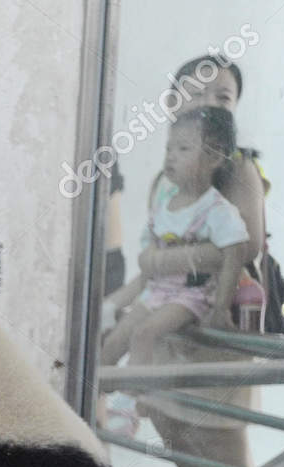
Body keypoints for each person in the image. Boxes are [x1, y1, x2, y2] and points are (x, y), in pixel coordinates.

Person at [128, 56, 272, 467]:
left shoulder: (241, 169)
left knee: (230, 466)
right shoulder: (165, 177)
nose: (210, 103)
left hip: (214, 327)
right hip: (170, 328)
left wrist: (163, 261)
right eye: (197, 93)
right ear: (173, 104)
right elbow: (153, 245)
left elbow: (246, 242)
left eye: (222, 98)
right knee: (183, 455)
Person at [101, 107, 248, 368]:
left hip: (191, 296)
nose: (171, 157)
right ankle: (95, 389)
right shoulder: (165, 203)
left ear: (214, 158)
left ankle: (133, 396)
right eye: (169, 149)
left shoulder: (217, 210)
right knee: (115, 340)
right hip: (156, 291)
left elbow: (234, 254)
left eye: (183, 149)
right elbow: (148, 256)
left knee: (143, 335)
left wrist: (221, 308)